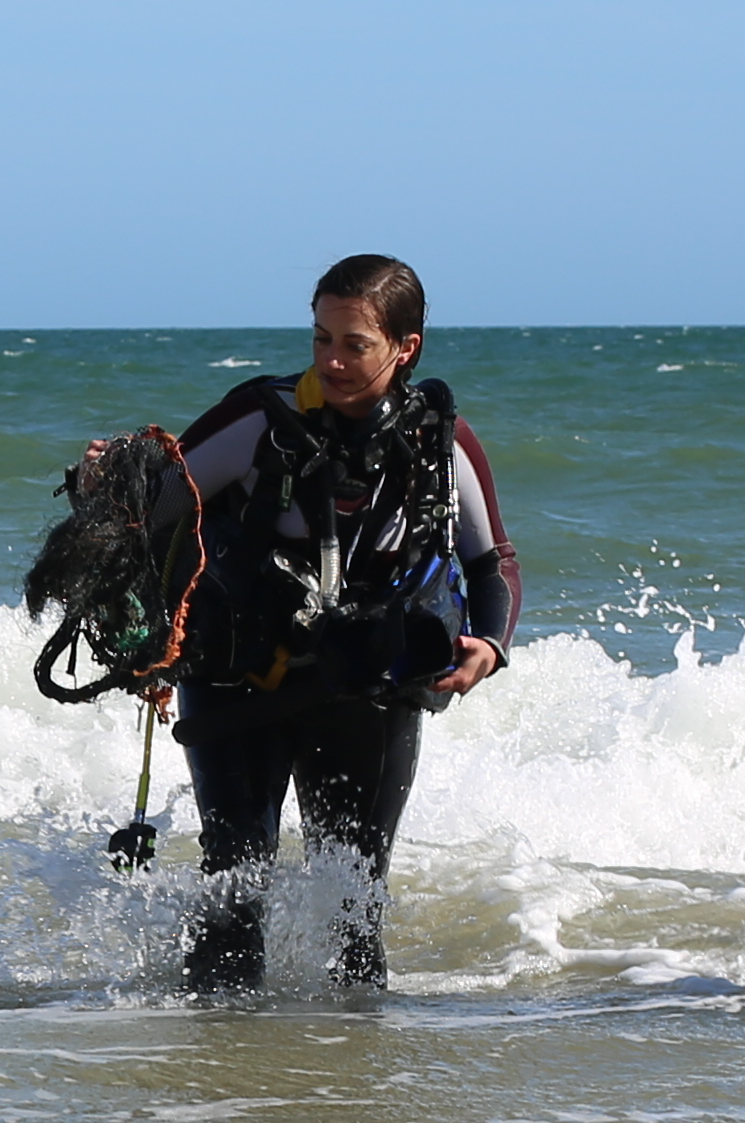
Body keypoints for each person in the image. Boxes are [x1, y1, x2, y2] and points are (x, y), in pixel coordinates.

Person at [172, 254, 522, 992]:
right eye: (320, 338)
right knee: (234, 894)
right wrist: (153, 634)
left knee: (353, 919)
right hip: (238, 684)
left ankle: (349, 1094)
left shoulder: (443, 444)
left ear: (406, 348)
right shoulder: (258, 420)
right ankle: (212, 1093)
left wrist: (490, 644)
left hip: (370, 692)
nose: (331, 360)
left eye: (354, 344)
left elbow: (492, 564)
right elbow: (153, 517)